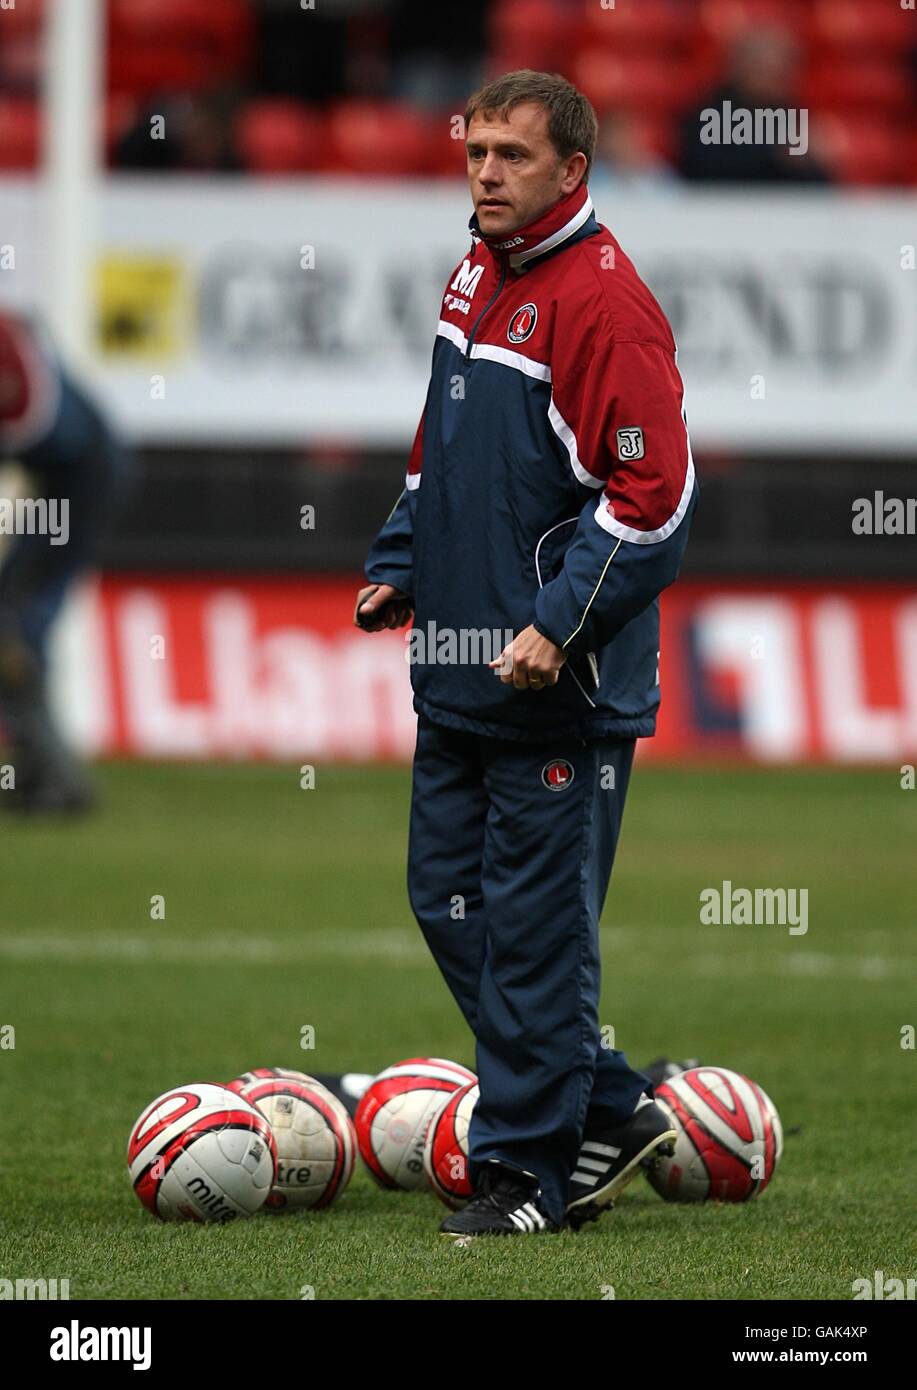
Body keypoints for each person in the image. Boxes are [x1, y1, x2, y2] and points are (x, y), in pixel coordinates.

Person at [355, 70, 698, 1236]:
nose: (486, 172)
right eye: (476, 151)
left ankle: (527, 1176)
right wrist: (400, 557)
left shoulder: (604, 306)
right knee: (447, 904)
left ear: (572, 172)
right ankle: (605, 1101)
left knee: (535, 936)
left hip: (556, 686)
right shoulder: (474, 274)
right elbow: (439, 439)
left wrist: (558, 621)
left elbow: (653, 494)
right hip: (460, 672)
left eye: (511, 156)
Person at [0, 310, 131, 813]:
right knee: (13, 620)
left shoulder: (15, 367)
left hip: (80, 488)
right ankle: (38, 771)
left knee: (19, 624)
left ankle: (56, 779)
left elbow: (33, 426)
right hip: (59, 486)